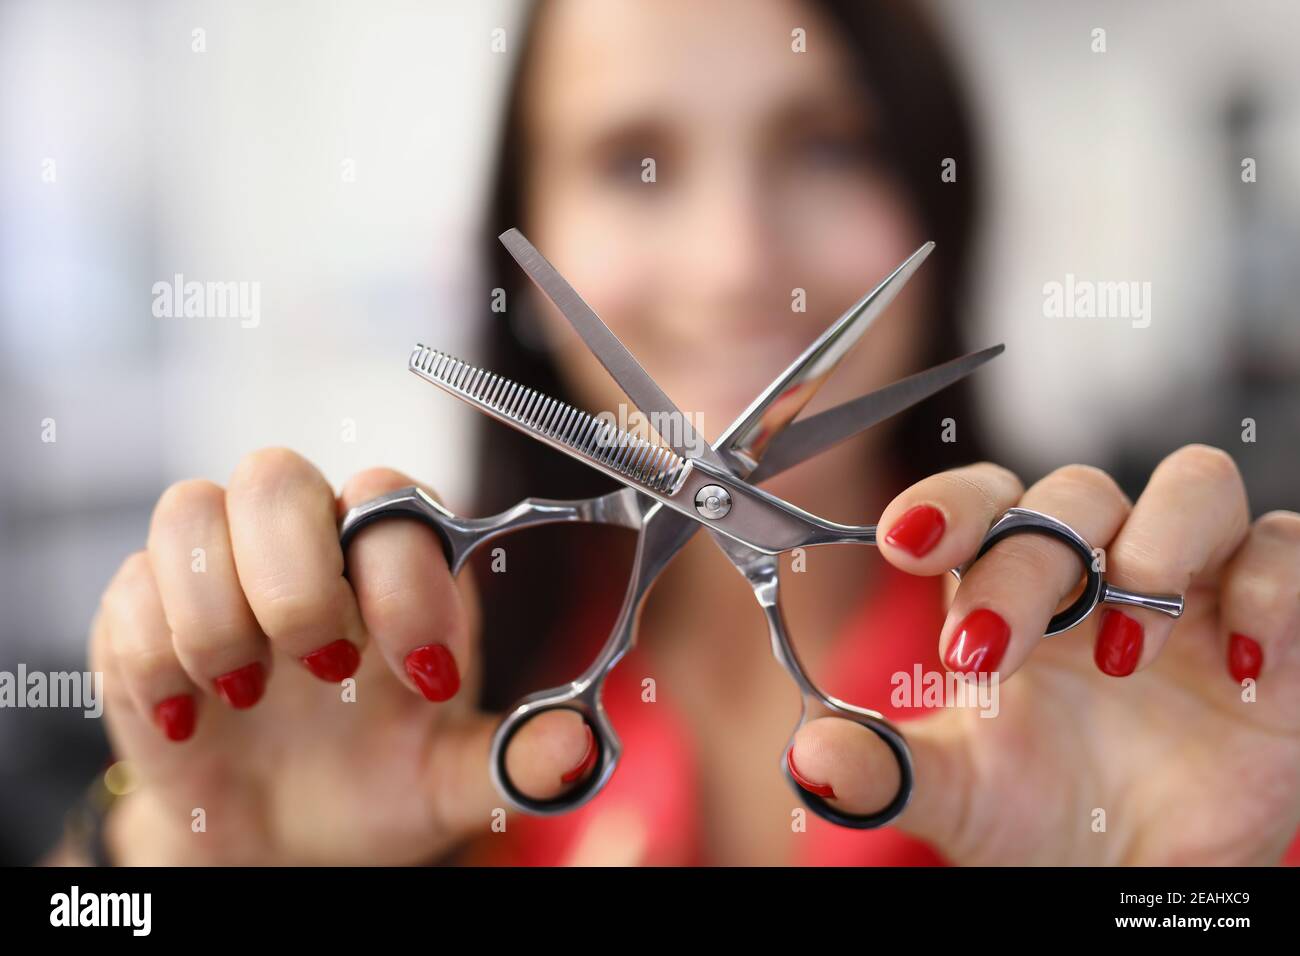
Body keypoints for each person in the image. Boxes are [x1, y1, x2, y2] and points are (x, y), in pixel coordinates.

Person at [65, 0, 1300, 866]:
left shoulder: (1125, 679)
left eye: (824, 144)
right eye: (635, 162)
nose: (736, 262)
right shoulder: (371, 696)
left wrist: (1180, 890)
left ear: (940, 200)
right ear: (527, 250)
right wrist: (180, 859)